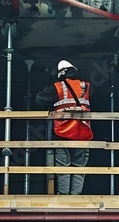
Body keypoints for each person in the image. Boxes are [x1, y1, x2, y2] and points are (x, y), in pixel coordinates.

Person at [35, 60, 93, 195]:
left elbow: (39, 100)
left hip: (63, 130)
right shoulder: (86, 86)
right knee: (79, 166)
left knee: (63, 166)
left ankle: (64, 196)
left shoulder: (57, 87)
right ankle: (75, 196)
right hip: (83, 130)